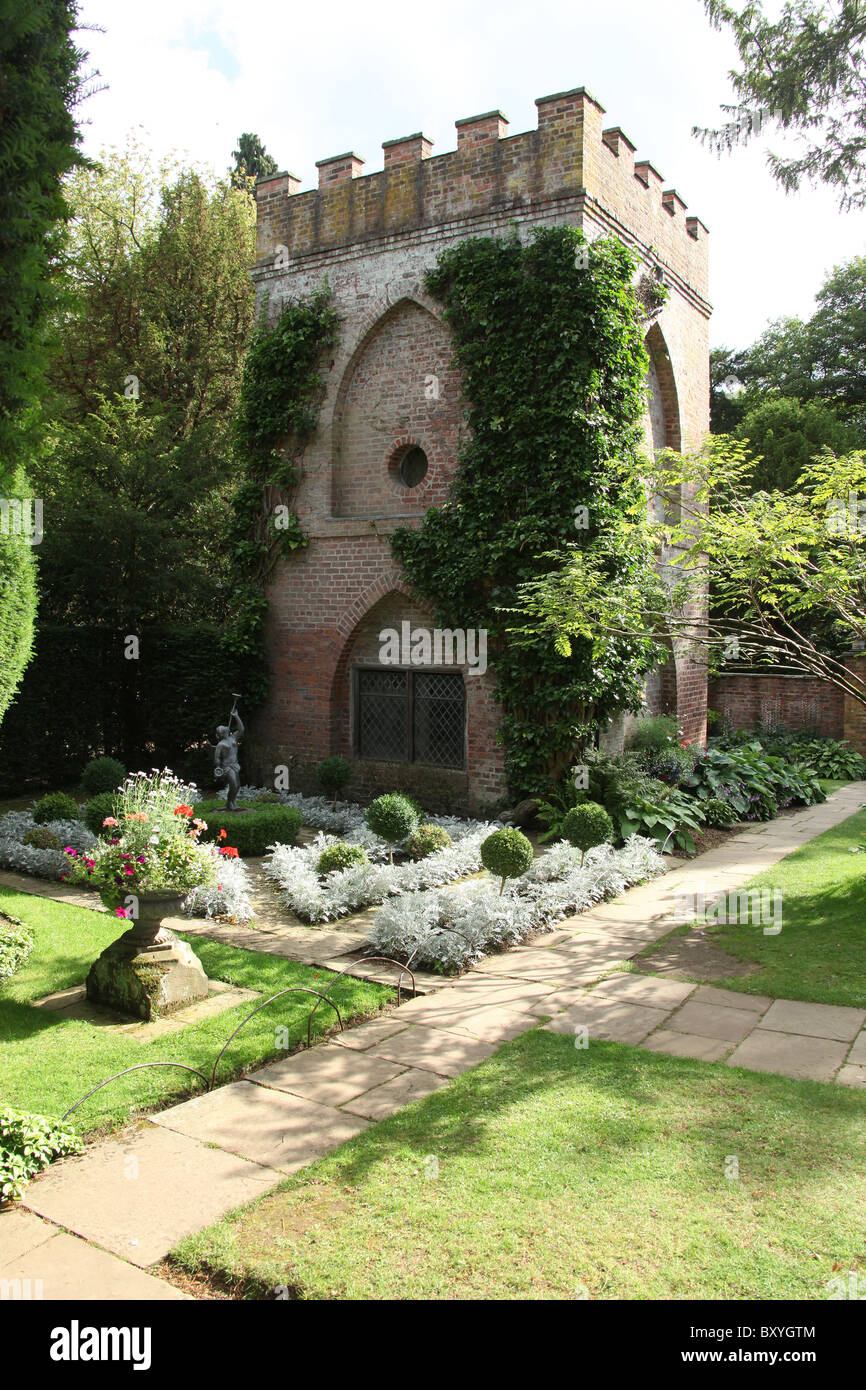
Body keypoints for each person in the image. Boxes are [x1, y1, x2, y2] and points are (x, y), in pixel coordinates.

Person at [214, 700, 244, 812]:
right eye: (222, 728)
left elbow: (241, 729)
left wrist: (236, 716)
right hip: (227, 767)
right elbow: (217, 757)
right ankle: (229, 803)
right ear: (221, 733)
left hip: (235, 765)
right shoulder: (221, 745)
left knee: (238, 786)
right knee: (234, 785)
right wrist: (218, 767)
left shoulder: (233, 738)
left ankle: (231, 802)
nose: (225, 728)